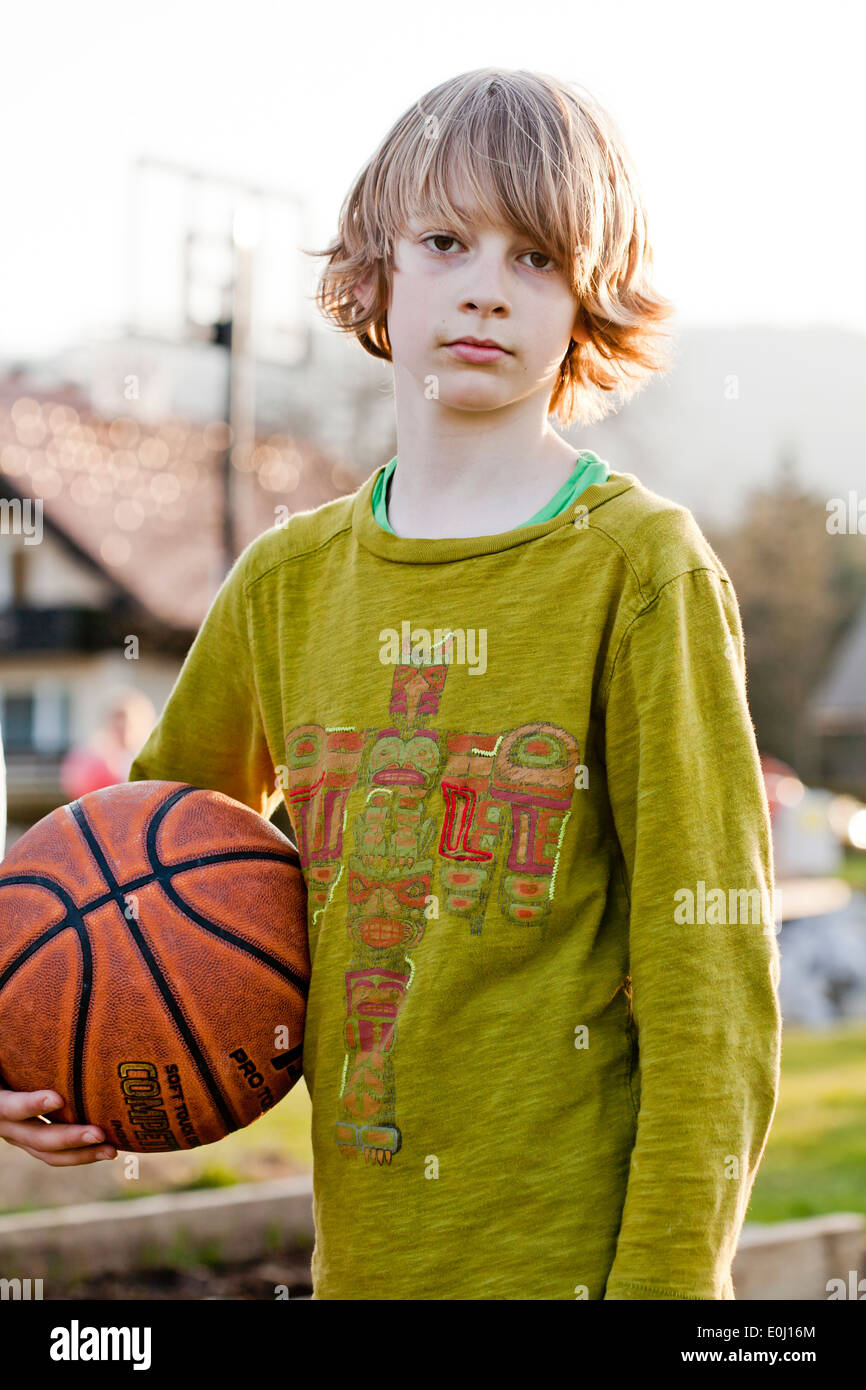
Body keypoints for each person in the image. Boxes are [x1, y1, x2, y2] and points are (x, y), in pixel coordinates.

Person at [0, 67, 781, 1300]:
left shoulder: (641, 571)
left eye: (537, 256)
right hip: (363, 1265)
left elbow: (711, 983)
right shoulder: (287, 582)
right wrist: (33, 1046)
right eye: (444, 239)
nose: (486, 282)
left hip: (576, 1267)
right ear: (374, 271)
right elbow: (121, 879)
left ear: (590, 297)